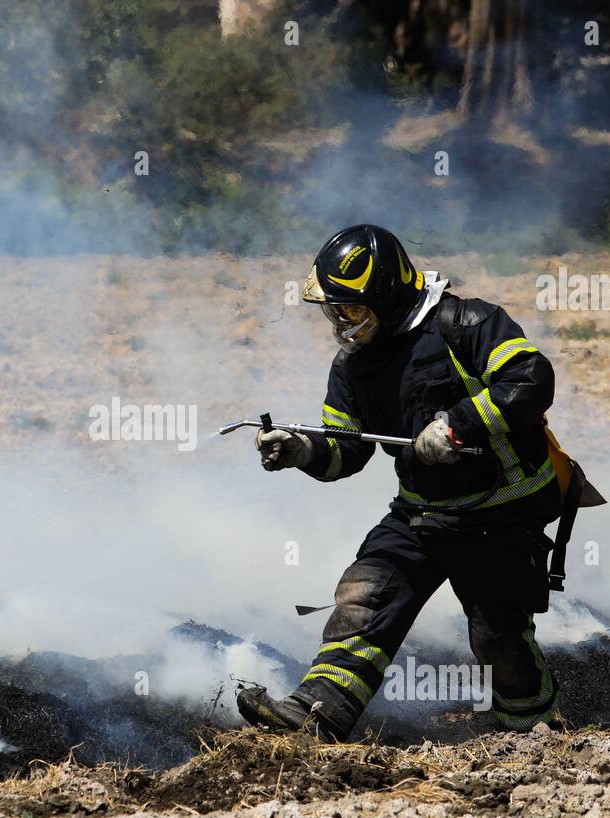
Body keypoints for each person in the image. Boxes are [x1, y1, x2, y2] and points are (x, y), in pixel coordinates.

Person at [237, 224, 568, 740]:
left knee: (498, 640)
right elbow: (346, 451)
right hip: (419, 515)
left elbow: (530, 380)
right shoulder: (352, 367)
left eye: (351, 309)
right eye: (334, 311)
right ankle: (313, 720)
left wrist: (458, 425)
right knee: (362, 600)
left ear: (387, 296)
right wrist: (301, 450)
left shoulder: (469, 322)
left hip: (502, 515)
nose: (341, 323)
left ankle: (536, 739)